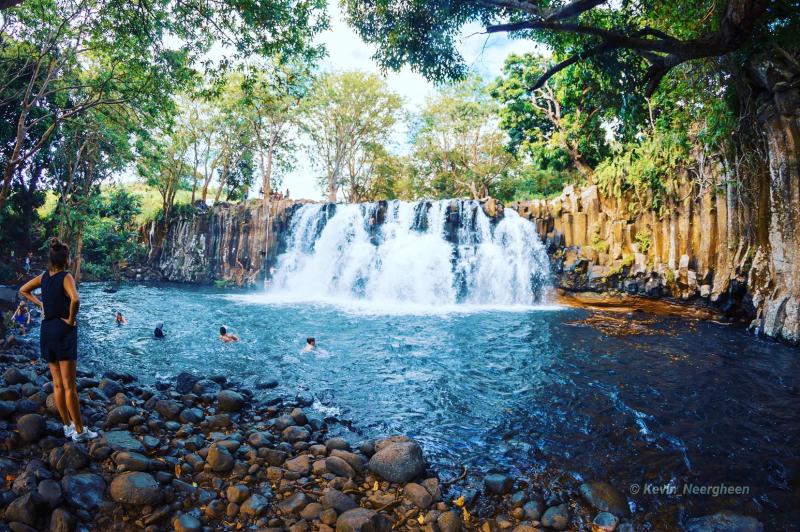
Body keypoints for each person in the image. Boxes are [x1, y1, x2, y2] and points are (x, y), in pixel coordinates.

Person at [18, 238, 98, 442]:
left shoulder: (44, 276)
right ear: (66, 259)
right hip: (63, 331)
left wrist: (40, 304)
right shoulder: (66, 276)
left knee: (57, 384)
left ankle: (67, 426)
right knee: (70, 386)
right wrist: (70, 320)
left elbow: (23, 290)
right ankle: (79, 431)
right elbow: (76, 299)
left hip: (47, 331)